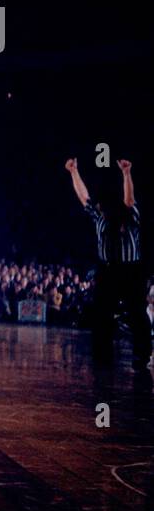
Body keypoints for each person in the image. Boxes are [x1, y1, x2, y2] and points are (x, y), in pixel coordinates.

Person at [66, 158, 148, 369]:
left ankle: (141, 355)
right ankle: (102, 357)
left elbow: (129, 200)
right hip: (108, 270)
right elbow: (84, 198)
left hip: (131, 270)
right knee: (102, 314)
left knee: (137, 313)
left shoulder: (131, 218)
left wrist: (126, 174)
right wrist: (74, 172)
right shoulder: (100, 219)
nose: (99, 209)